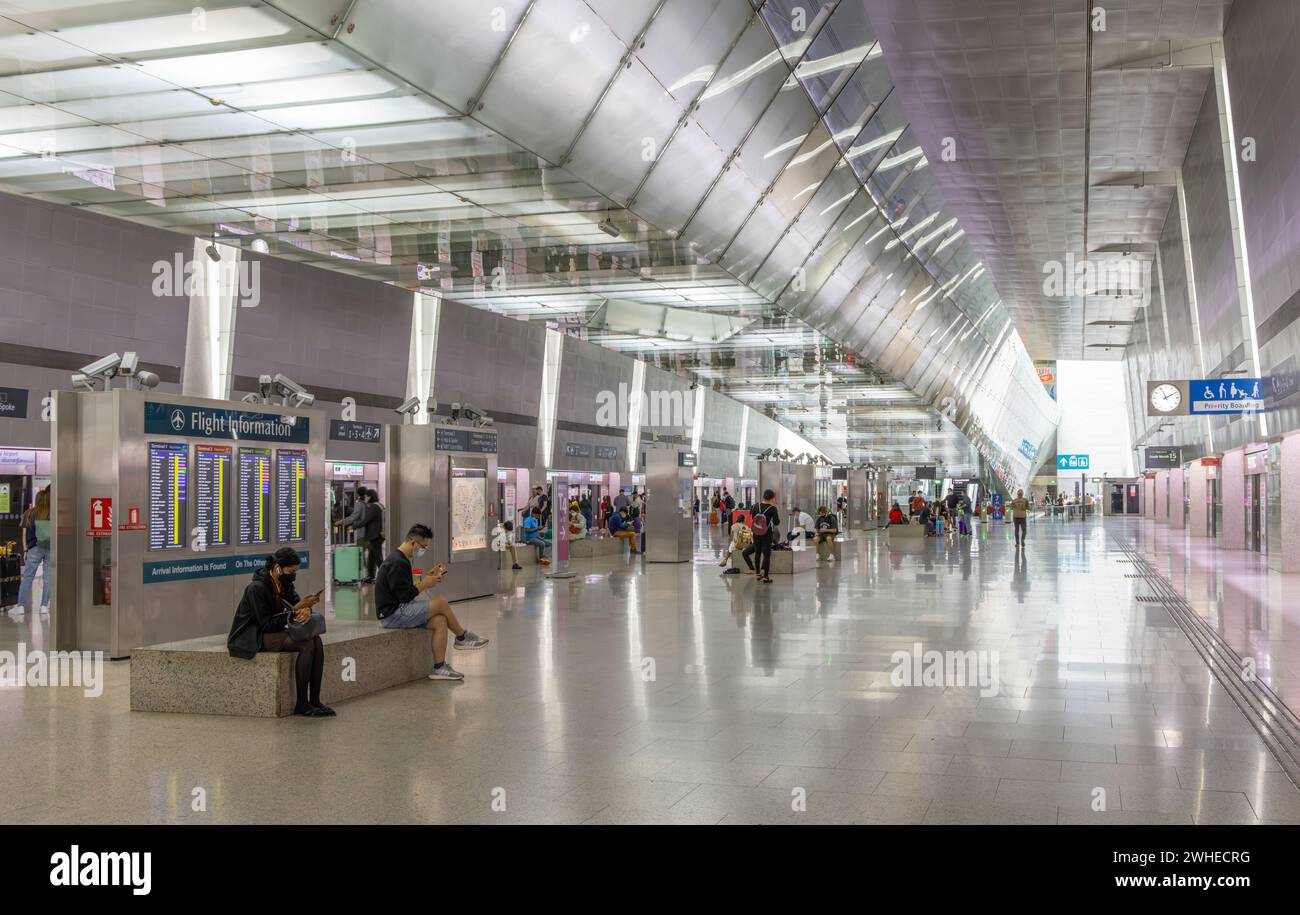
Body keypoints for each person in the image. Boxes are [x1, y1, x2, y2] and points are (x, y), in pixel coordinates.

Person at [227, 547, 332, 717]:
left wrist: (306, 609)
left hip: (271, 631)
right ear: (277, 568)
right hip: (252, 637)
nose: (294, 575)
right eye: (291, 571)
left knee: (316, 640)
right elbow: (267, 624)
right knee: (306, 643)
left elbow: (296, 603)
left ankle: (315, 700)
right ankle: (302, 703)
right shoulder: (256, 588)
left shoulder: (285, 584)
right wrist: (295, 610)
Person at [376, 523, 488, 681]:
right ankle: (462, 637)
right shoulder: (397, 562)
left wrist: (426, 577)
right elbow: (404, 597)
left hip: (399, 609)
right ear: (413, 542)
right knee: (441, 603)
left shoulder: (402, 559)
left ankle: (439, 667)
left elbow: (404, 588)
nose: (423, 550)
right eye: (423, 547)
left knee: (440, 621)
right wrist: (425, 584)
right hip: (391, 614)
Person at [15, 487, 51, 615]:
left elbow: (24, 534)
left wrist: (25, 550)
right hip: (50, 548)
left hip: (34, 548)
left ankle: (20, 606)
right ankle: (44, 606)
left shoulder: (29, 513)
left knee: (28, 577)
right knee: (48, 578)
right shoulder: (51, 513)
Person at [742, 489, 780, 583]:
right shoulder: (772, 508)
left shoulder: (755, 506)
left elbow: (752, 517)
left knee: (757, 553)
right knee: (766, 555)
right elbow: (776, 522)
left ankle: (758, 573)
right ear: (772, 498)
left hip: (756, 532)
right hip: (767, 533)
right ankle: (766, 576)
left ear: (763, 496)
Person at [360, 489, 385, 583]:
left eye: (366, 496)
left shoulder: (373, 507)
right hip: (379, 534)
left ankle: (385, 576)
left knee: (378, 557)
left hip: (375, 535)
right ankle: (370, 576)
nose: (365, 498)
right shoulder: (380, 505)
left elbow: (366, 520)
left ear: (369, 497)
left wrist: (354, 525)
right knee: (372, 556)